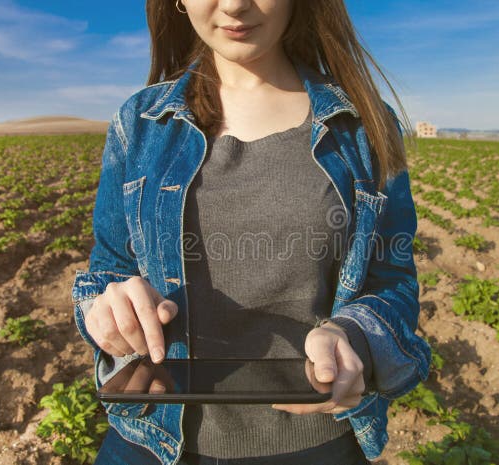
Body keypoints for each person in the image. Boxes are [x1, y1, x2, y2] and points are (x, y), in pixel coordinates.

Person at [70, 0, 432, 464]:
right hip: (151, 441)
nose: (236, 4)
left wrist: (354, 336)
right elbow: (108, 271)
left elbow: (392, 279)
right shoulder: (140, 123)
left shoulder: (362, 124)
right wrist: (106, 308)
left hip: (316, 443)